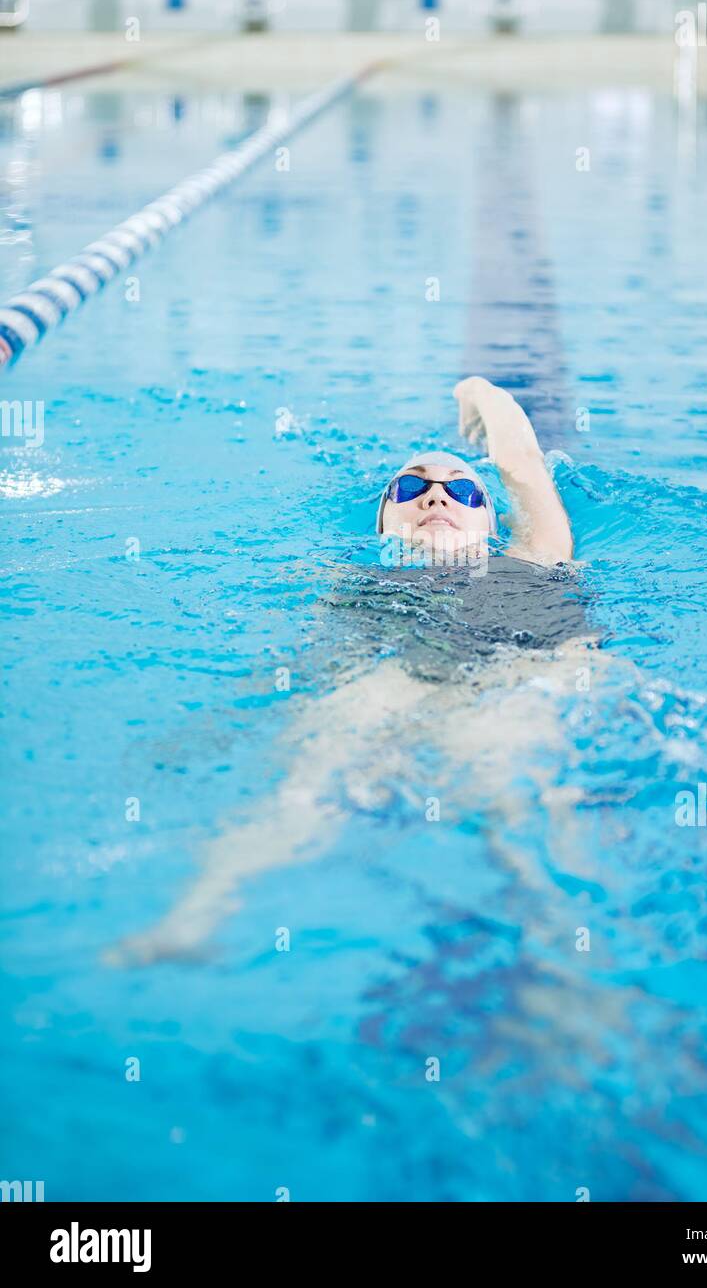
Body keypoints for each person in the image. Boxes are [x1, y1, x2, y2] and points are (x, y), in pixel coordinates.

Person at [107, 377, 606, 965]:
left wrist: (477, 390)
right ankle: (191, 921)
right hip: (401, 678)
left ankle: (565, 957)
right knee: (305, 784)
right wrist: (226, 720)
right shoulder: (350, 584)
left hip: (518, 672)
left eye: (463, 491)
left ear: (493, 523)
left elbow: (520, 462)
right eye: (414, 486)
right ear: (383, 523)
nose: (437, 498)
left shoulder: (537, 553)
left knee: (515, 801)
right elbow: (314, 666)